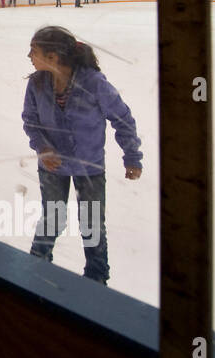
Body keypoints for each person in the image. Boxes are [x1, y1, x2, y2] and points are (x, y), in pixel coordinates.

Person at [22, 26, 143, 285]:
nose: (29, 56)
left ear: (53, 56)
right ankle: (36, 270)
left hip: (89, 167)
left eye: (34, 51)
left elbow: (123, 119)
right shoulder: (37, 83)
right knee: (52, 219)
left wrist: (132, 156)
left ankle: (97, 281)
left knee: (92, 226)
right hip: (53, 168)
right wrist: (42, 148)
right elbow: (30, 120)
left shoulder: (94, 83)